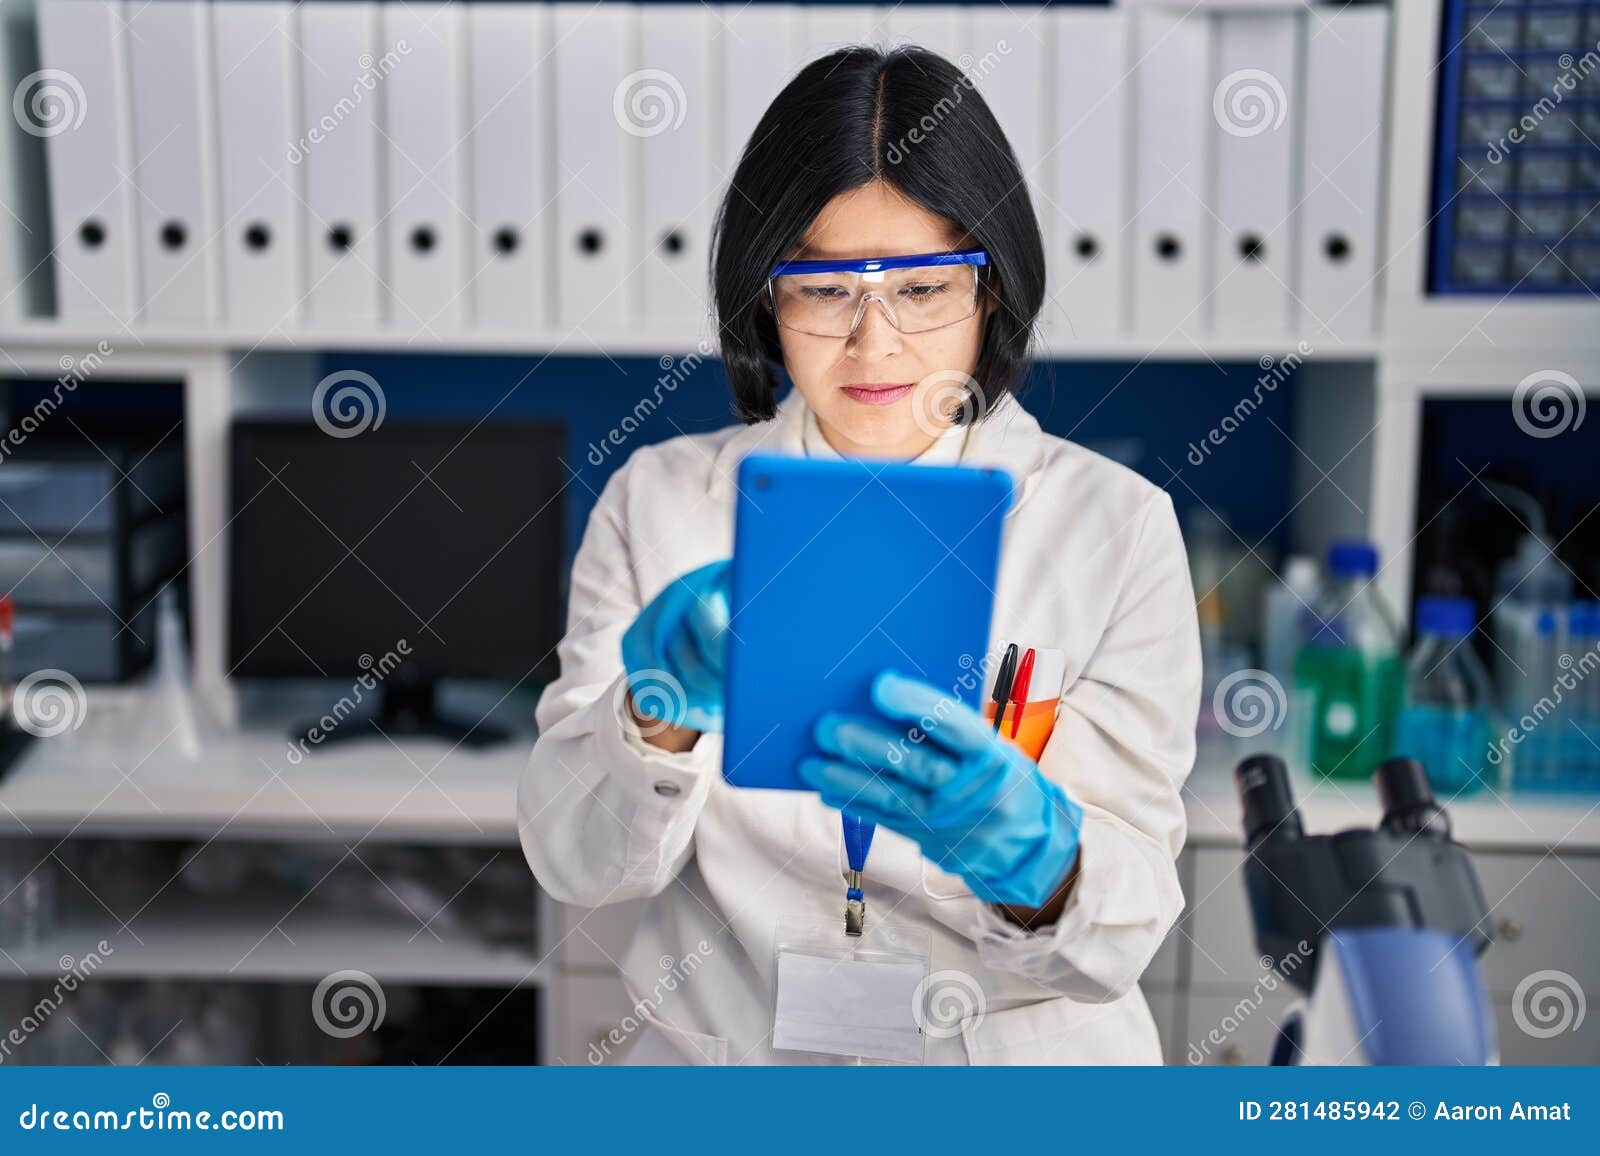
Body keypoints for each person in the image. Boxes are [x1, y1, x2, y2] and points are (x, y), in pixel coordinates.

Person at [519, 44, 1201, 1065]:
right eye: (824, 290)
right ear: (763, 298)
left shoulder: (1115, 526)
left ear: (993, 290)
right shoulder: (661, 502)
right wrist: (653, 715)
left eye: (925, 288)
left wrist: (1039, 858)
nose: (875, 345)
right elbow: (576, 861)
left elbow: (1124, 930)